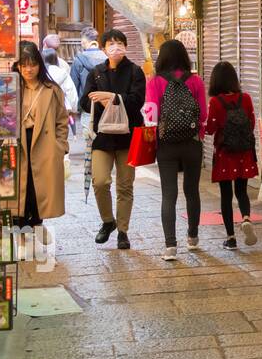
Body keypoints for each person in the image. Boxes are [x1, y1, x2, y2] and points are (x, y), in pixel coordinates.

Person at [78, 29, 145, 250]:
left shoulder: (135, 72)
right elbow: (85, 102)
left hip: (129, 136)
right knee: (100, 181)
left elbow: (137, 101)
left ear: (125, 46)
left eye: (119, 43)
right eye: (111, 44)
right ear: (104, 47)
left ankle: (123, 232)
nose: (115, 47)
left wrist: (113, 98)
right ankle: (108, 221)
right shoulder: (96, 72)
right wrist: (100, 102)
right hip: (103, 137)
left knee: (125, 185)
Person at [143, 39, 208, 261]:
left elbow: (151, 115)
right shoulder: (196, 81)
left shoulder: (155, 83)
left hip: (166, 146)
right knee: (192, 191)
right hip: (192, 143)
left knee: (168, 194)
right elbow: (203, 115)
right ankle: (193, 238)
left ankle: (170, 246)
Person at [13, 42, 68, 242]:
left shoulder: (51, 89)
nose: (28, 69)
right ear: (17, 65)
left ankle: (37, 223)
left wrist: (60, 146)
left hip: (44, 144)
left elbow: (62, 119)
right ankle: (20, 231)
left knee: (38, 188)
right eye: (24, 64)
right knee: (19, 189)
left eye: (33, 64)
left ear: (40, 65)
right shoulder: (10, 87)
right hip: (18, 144)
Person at [204, 61, 258, 249]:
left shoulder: (215, 102)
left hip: (225, 153)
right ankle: (246, 218)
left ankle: (231, 238)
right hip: (244, 152)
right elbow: (251, 123)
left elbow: (210, 129)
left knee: (226, 195)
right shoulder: (246, 98)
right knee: (242, 191)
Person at [42, 47, 79, 116]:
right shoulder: (63, 73)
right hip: (62, 111)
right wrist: (73, 110)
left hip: (43, 110)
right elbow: (70, 93)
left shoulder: (40, 74)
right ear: (56, 59)